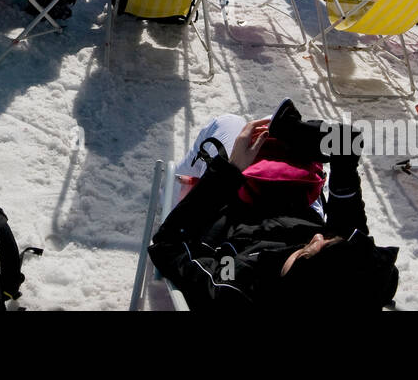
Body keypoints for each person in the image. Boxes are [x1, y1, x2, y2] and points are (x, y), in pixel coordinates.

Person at [147, 100, 399, 310]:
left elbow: (167, 245)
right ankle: (289, 130)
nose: (320, 236)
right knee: (283, 132)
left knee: (231, 124)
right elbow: (348, 238)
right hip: (293, 206)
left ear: (305, 260)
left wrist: (230, 170)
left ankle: (169, 190)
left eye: (320, 243)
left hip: (233, 208)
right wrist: (344, 153)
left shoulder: (233, 283)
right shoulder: (352, 286)